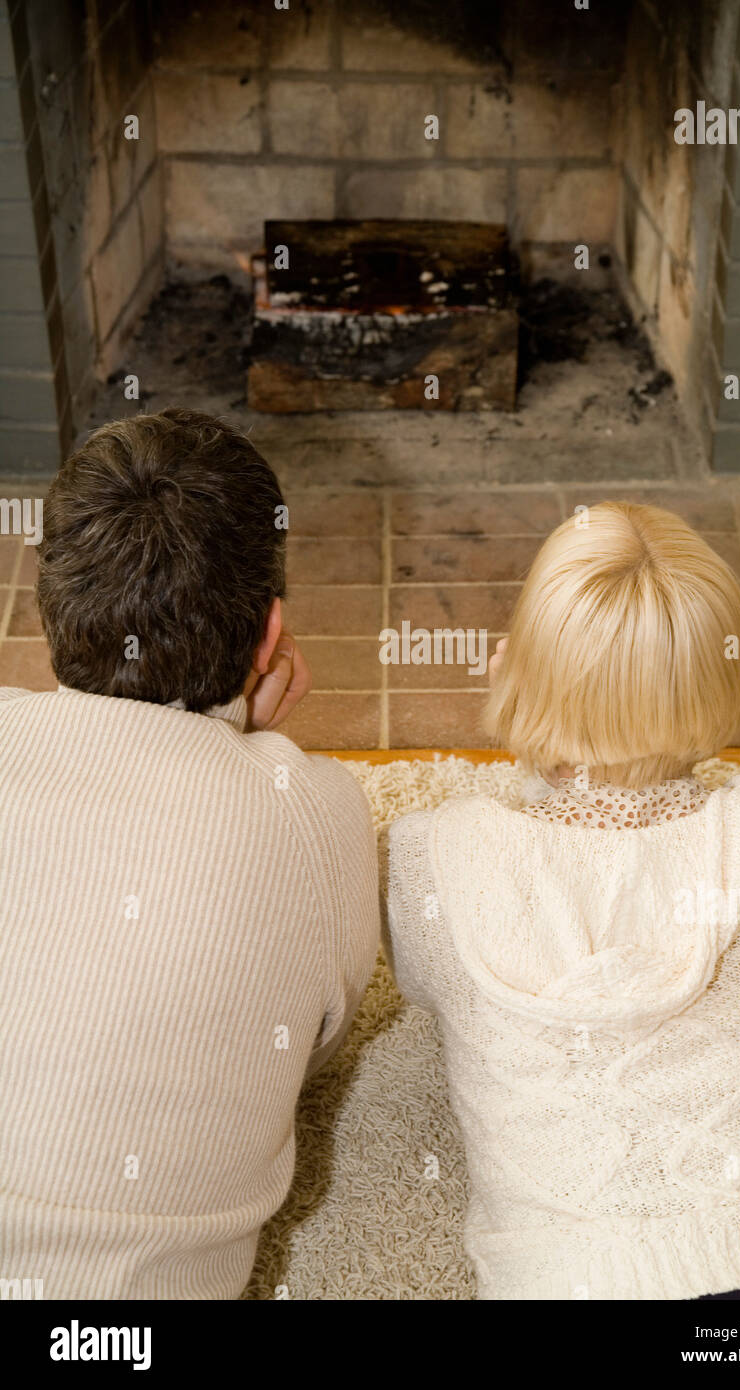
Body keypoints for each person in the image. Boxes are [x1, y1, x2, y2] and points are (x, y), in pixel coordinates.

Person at [385, 500, 740, 1300]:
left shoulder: (427, 858)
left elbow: (425, 985)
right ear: (727, 674)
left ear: (515, 665)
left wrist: (547, 736)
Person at [0, 408, 378, 1299]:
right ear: (270, 633)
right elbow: (315, 1041)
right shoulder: (322, 815)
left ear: (50, 606)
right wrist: (241, 734)